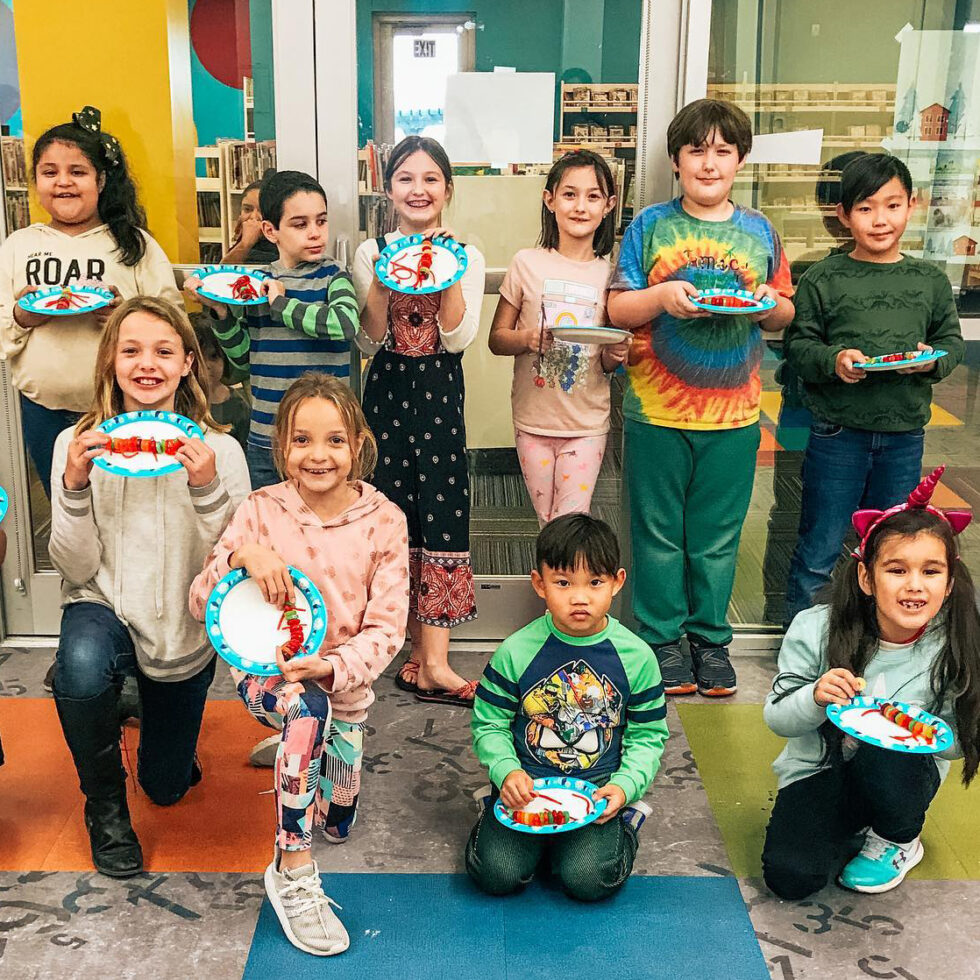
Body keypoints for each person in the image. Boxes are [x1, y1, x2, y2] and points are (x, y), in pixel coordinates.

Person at [189, 373, 409, 957]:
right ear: (281, 445)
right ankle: (292, 867)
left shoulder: (385, 520)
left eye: (335, 440)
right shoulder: (259, 510)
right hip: (275, 680)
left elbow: (388, 629)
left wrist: (335, 668)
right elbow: (200, 600)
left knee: (339, 822)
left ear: (359, 443)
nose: (318, 455)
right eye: (302, 440)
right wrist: (242, 554)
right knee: (305, 714)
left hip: (345, 688)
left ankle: (304, 748)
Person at [49, 296, 250, 878]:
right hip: (102, 602)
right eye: (130, 349)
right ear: (110, 359)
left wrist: (208, 485)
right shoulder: (76, 446)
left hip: (180, 633)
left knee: (166, 787)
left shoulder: (223, 451)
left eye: (164, 351)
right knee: (79, 669)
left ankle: (147, 705)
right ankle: (104, 808)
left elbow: (234, 564)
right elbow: (75, 567)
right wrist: (75, 486)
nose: (147, 364)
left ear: (189, 362)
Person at [607, 98, 795, 697]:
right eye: (696, 151)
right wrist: (662, 297)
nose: (709, 163)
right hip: (655, 409)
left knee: (718, 535)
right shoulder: (651, 225)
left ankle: (710, 641)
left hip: (736, 414)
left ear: (740, 159)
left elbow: (783, 313)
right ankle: (662, 640)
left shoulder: (760, 230)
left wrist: (766, 302)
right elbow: (616, 306)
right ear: (676, 160)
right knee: (658, 532)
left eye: (722, 151)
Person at [762, 467, 979, 899]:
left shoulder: (956, 641)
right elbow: (777, 719)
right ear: (866, 578)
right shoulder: (814, 628)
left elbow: (960, 742)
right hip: (820, 769)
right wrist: (815, 696)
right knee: (790, 878)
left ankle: (897, 837)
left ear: (949, 584)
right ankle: (855, 820)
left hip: (901, 778)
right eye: (896, 570)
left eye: (931, 572)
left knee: (887, 746)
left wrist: (921, 732)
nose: (914, 586)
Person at [782, 154, 964, 627]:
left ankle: (879, 641)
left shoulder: (928, 280)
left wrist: (931, 361)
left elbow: (950, 343)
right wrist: (834, 361)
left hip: (903, 436)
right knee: (820, 542)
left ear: (913, 206)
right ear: (843, 215)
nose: (880, 219)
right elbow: (799, 345)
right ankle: (803, 647)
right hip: (837, 434)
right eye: (865, 208)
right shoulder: (824, 277)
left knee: (894, 545)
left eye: (892, 205)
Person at [466, 513, 668, 900]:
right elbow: (488, 723)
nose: (580, 597)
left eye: (595, 582)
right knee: (496, 875)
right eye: (563, 583)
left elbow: (648, 735)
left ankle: (623, 826)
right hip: (526, 789)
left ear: (617, 582)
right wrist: (506, 771)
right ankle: (492, 810)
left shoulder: (638, 657)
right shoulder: (516, 651)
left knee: (589, 881)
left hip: (596, 790)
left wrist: (625, 786)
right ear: (539, 584)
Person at [352, 136, 486, 707]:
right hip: (385, 390)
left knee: (441, 510)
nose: (418, 190)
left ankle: (436, 659)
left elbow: (458, 338)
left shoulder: (469, 254)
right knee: (387, 512)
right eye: (406, 178)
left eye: (431, 179)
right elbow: (368, 338)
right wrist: (384, 279)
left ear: (447, 190)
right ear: (389, 191)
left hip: (437, 390)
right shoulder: (369, 251)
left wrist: (447, 269)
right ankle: (399, 647)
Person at [0, 105, 180, 498]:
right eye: (50, 173)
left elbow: (173, 321)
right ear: (36, 182)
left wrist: (125, 317)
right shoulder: (20, 246)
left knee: (129, 504)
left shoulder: (134, 245)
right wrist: (22, 315)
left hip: (124, 408)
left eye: (77, 172)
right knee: (68, 503)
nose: (63, 183)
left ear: (100, 179)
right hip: (43, 412)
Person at [185, 170, 360, 490]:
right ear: (270, 230)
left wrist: (282, 305)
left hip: (324, 445)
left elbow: (345, 324)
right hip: (266, 441)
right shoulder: (255, 285)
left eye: (321, 221)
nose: (315, 233)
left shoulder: (334, 275)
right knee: (269, 535)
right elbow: (243, 362)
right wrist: (221, 314)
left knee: (322, 532)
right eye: (300, 224)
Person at [488, 150, 629, 526]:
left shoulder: (611, 274)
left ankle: (560, 584)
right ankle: (550, 585)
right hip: (532, 421)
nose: (580, 206)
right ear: (549, 200)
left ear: (608, 206)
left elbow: (604, 360)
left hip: (586, 425)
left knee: (569, 524)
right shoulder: (526, 263)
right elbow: (497, 339)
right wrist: (528, 339)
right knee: (545, 523)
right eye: (569, 194)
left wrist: (615, 355)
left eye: (593, 196)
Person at [193, 319, 250, 449]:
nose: (206, 365)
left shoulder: (239, 406)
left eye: (213, 356)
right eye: (198, 359)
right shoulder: (176, 401)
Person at [220, 177, 278, 266]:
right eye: (247, 209)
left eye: (262, 211)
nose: (253, 217)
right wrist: (245, 244)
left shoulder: (280, 244)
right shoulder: (244, 237)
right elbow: (223, 272)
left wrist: (246, 244)